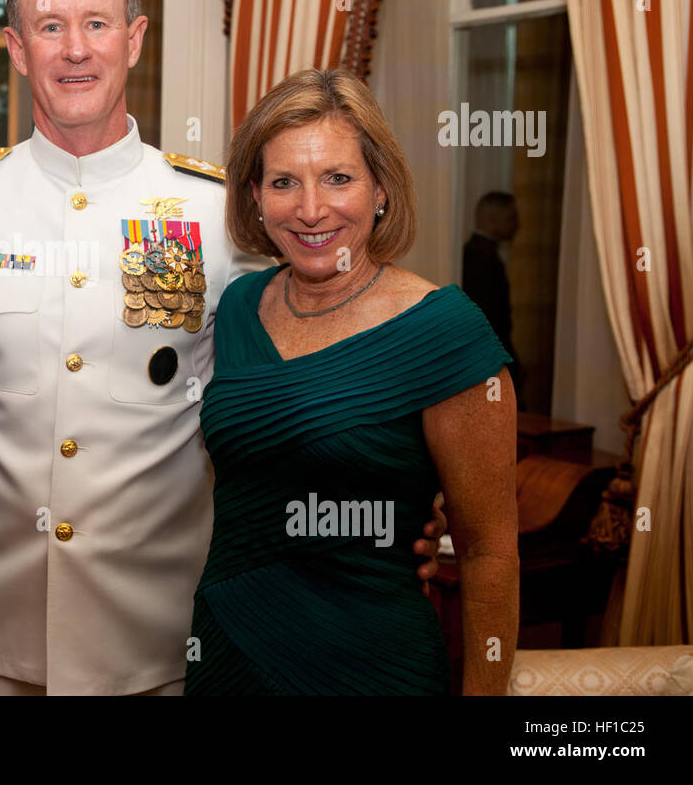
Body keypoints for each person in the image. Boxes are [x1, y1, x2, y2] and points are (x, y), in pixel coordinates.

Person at [0, 0, 448, 695]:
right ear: (17, 49)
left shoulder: (219, 214)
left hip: (164, 641)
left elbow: (285, 405)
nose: (74, 48)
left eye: (96, 23)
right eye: (49, 26)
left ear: (134, 38)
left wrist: (391, 513)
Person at [185, 69, 520, 695]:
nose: (311, 209)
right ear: (254, 195)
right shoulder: (238, 307)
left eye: (338, 178)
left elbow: (489, 554)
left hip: (370, 664)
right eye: (284, 182)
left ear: (382, 189)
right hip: (228, 652)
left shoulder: (444, 331)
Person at [463, 191, 523, 400]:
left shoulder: (478, 254)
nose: (517, 225)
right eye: (511, 218)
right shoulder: (483, 259)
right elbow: (489, 318)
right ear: (491, 219)